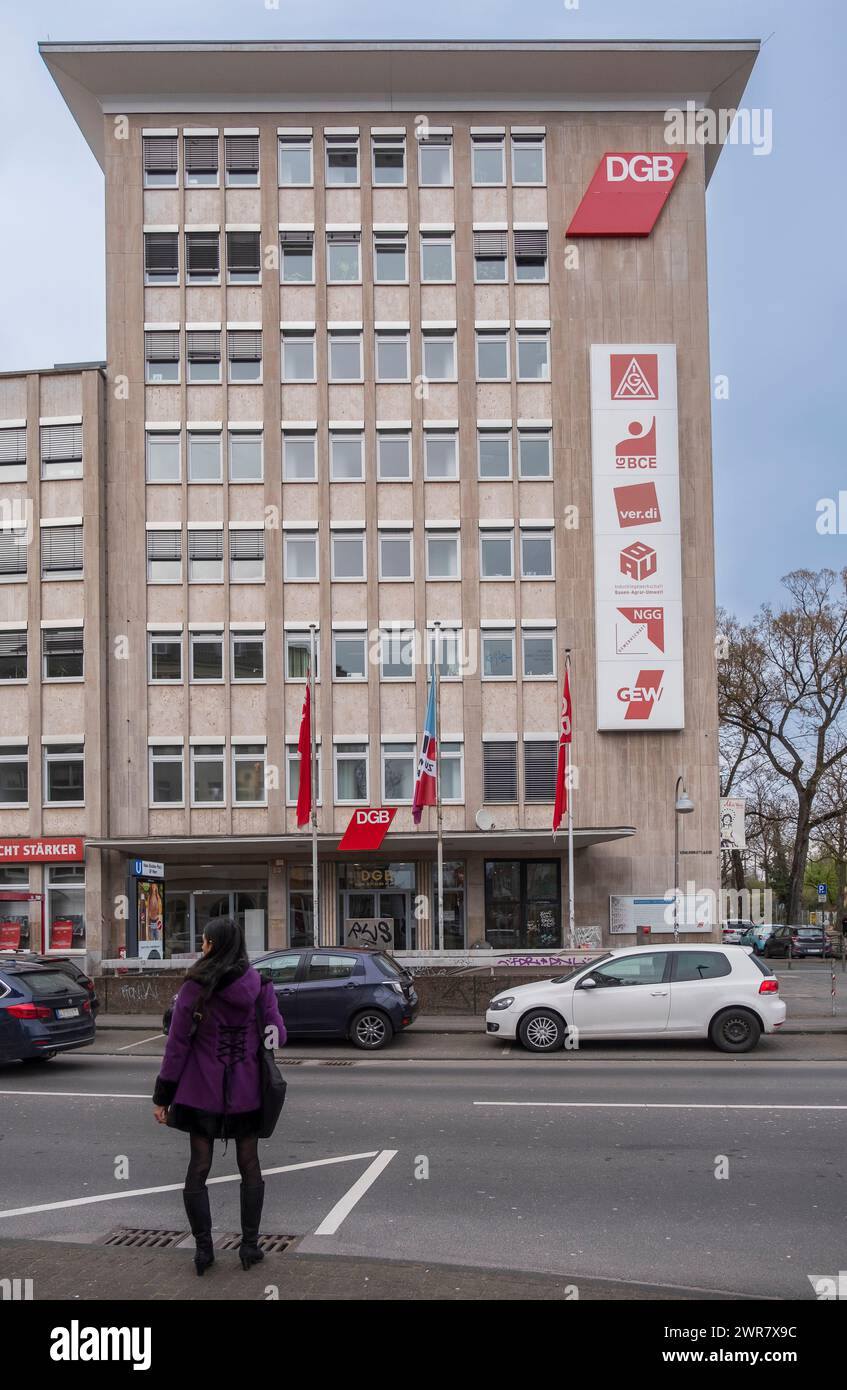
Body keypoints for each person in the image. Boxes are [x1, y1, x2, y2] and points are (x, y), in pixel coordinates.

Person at [152, 917, 287, 1275]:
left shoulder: (195, 988)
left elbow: (177, 1047)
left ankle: (203, 1251)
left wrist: (162, 1094)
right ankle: (249, 1246)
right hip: (247, 1092)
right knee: (250, 1164)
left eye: (205, 941)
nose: (202, 947)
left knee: (198, 1167)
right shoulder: (260, 986)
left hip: (201, 1093)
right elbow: (277, 1035)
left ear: (214, 945)